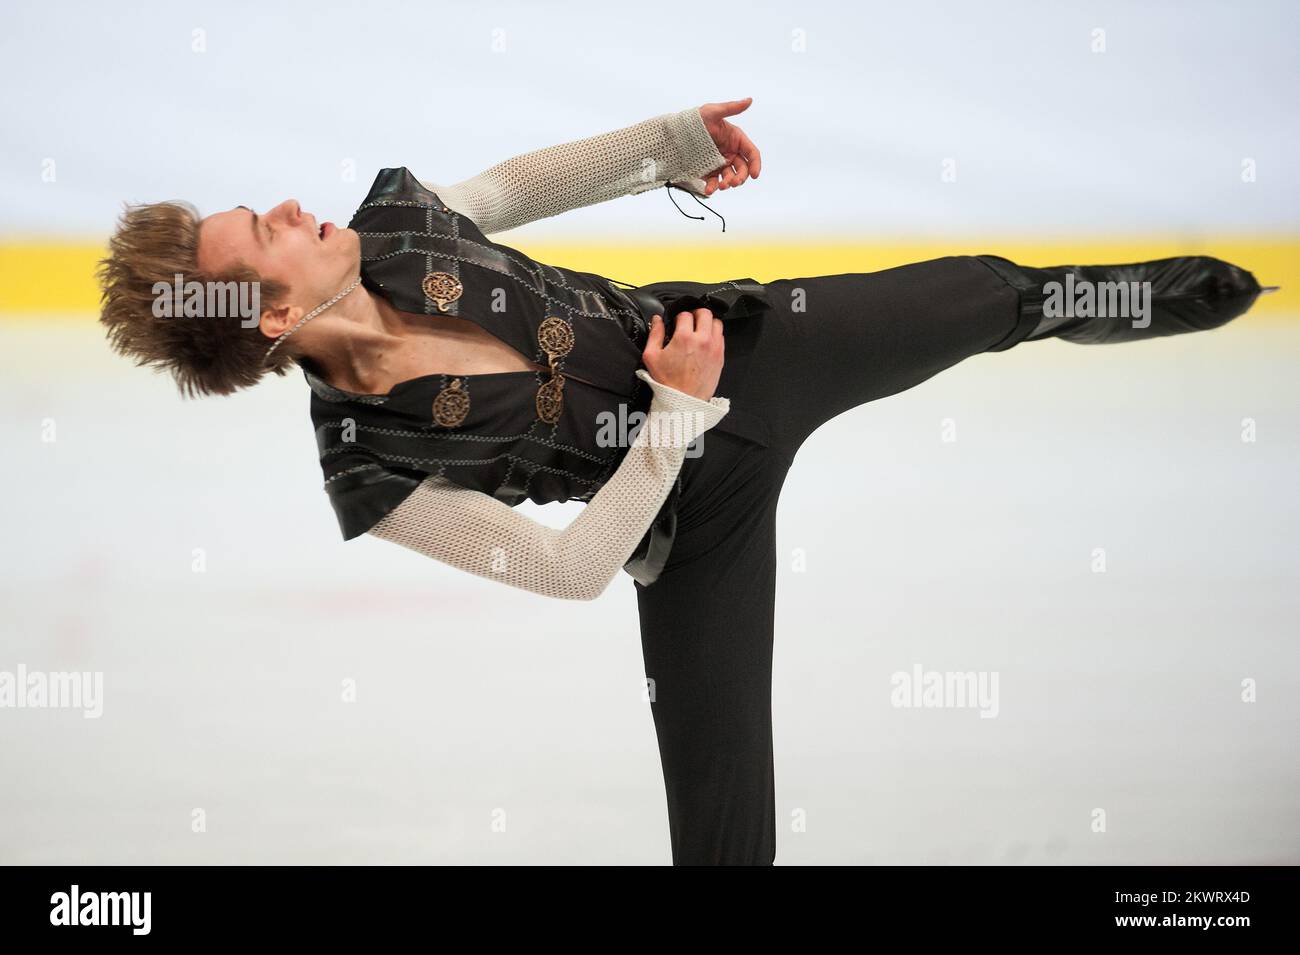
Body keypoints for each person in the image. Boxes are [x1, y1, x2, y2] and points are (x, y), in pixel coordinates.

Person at [96, 98, 1266, 865]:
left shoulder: (403, 224)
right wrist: (671, 420)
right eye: (267, 229)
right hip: (685, 524)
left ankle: (1177, 295)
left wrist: (669, 144)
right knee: (719, 837)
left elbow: (519, 181)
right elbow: (564, 568)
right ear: (280, 313)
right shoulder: (371, 468)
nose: (296, 205)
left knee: (981, 294)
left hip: (748, 345)